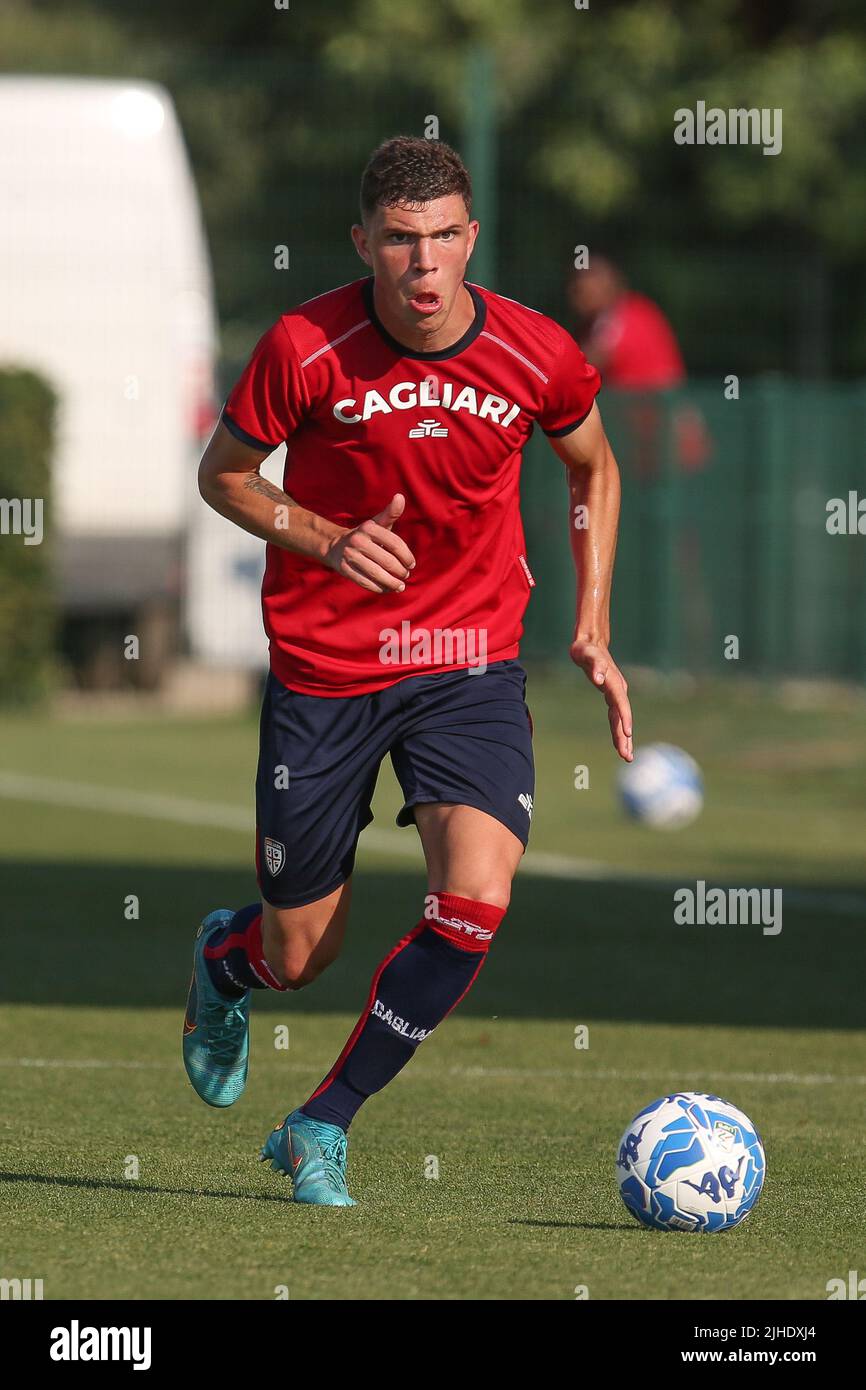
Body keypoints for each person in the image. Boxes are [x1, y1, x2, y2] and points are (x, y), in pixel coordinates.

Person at [183, 135, 633, 1206]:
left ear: (469, 238)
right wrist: (324, 535)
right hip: (326, 667)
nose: (423, 266)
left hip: (466, 662)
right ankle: (224, 965)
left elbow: (593, 465)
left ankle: (321, 1122)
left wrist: (593, 623)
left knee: (475, 895)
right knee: (300, 954)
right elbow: (226, 475)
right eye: (398, 241)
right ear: (363, 243)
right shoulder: (304, 345)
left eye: (441, 239)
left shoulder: (534, 353)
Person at [567, 255, 685, 390]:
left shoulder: (618, 315)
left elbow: (586, 364)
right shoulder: (637, 308)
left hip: (648, 404)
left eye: (580, 291)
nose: (574, 295)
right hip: (639, 402)